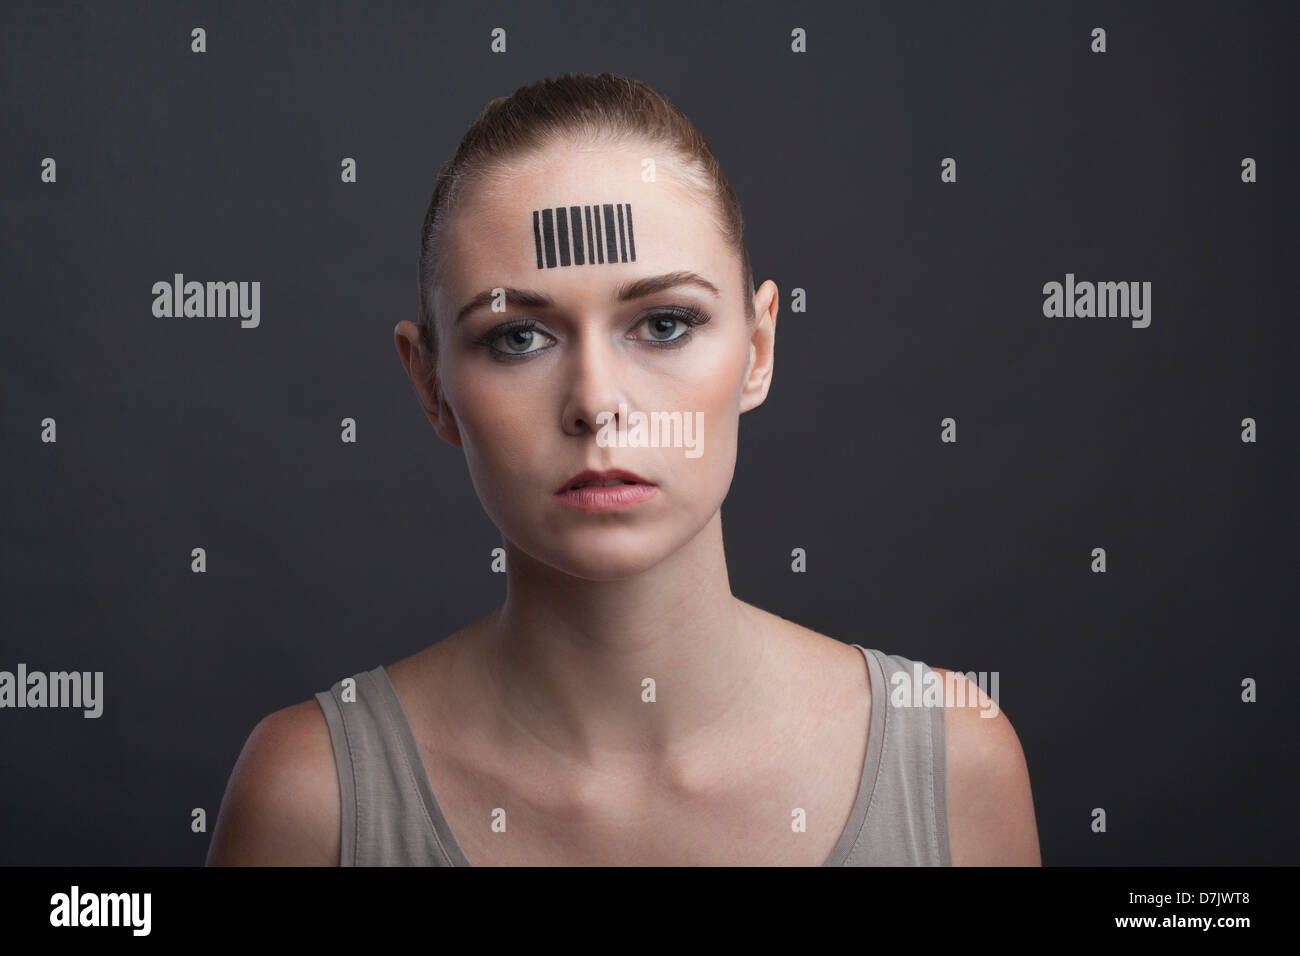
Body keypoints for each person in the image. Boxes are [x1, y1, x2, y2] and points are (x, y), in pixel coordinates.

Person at [207, 72, 1040, 867]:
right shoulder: (313, 798)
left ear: (758, 349)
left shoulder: (954, 758)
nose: (596, 404)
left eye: (666, 324)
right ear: (432, 386)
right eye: (518, 338)